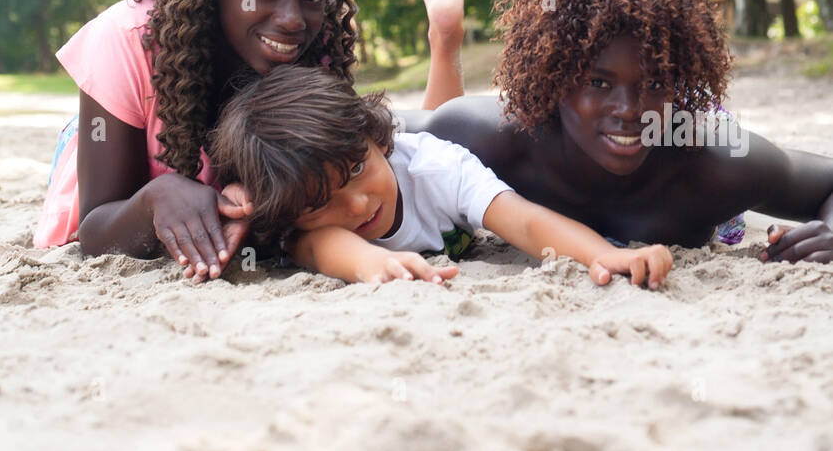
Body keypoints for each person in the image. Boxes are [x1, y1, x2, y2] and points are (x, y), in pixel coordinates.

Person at [34, 0, 466, 281]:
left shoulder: (313, 46)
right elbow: (93, 234)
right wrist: (156, 199)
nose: (292, 18)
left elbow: (416, 156)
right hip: (111, 139)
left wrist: (445, 45)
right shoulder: (126, 39)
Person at [401, 0, 833, 264]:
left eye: (653, 83)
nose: (629, 110)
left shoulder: (714, 162)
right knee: (437, 153)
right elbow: (376, 135)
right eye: (598, 83)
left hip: (690, 135)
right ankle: (445, 42)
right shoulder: (498, 137)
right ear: (554, 81)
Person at [208, 64, 674, 289]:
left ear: (378, 142)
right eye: (319, 202)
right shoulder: (299, 208)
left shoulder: (435, 167)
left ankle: (442, 42)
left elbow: (524, 221)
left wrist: (604, 255)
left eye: (356, 169)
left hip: (441, 126)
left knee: (444, 116)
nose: (354, 205)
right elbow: (316, 245)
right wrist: (372, 266)